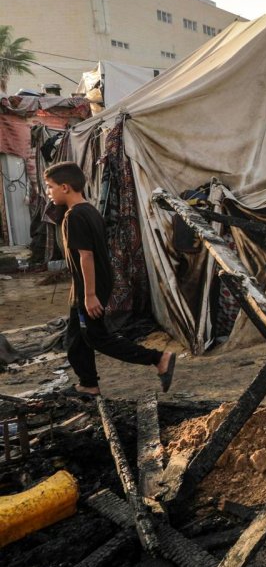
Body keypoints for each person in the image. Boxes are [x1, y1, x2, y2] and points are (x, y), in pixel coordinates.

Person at [45, 162, 176, 398]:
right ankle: (88, 384)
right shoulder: (90, 210)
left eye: (50, 187)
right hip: (88, 287)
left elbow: (86, 256)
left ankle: (159, 359)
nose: (49, 193)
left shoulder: (75, 216)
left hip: (90, 288)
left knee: (97, 338)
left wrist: (90, 295)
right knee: (76, 340)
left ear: (65, 187)